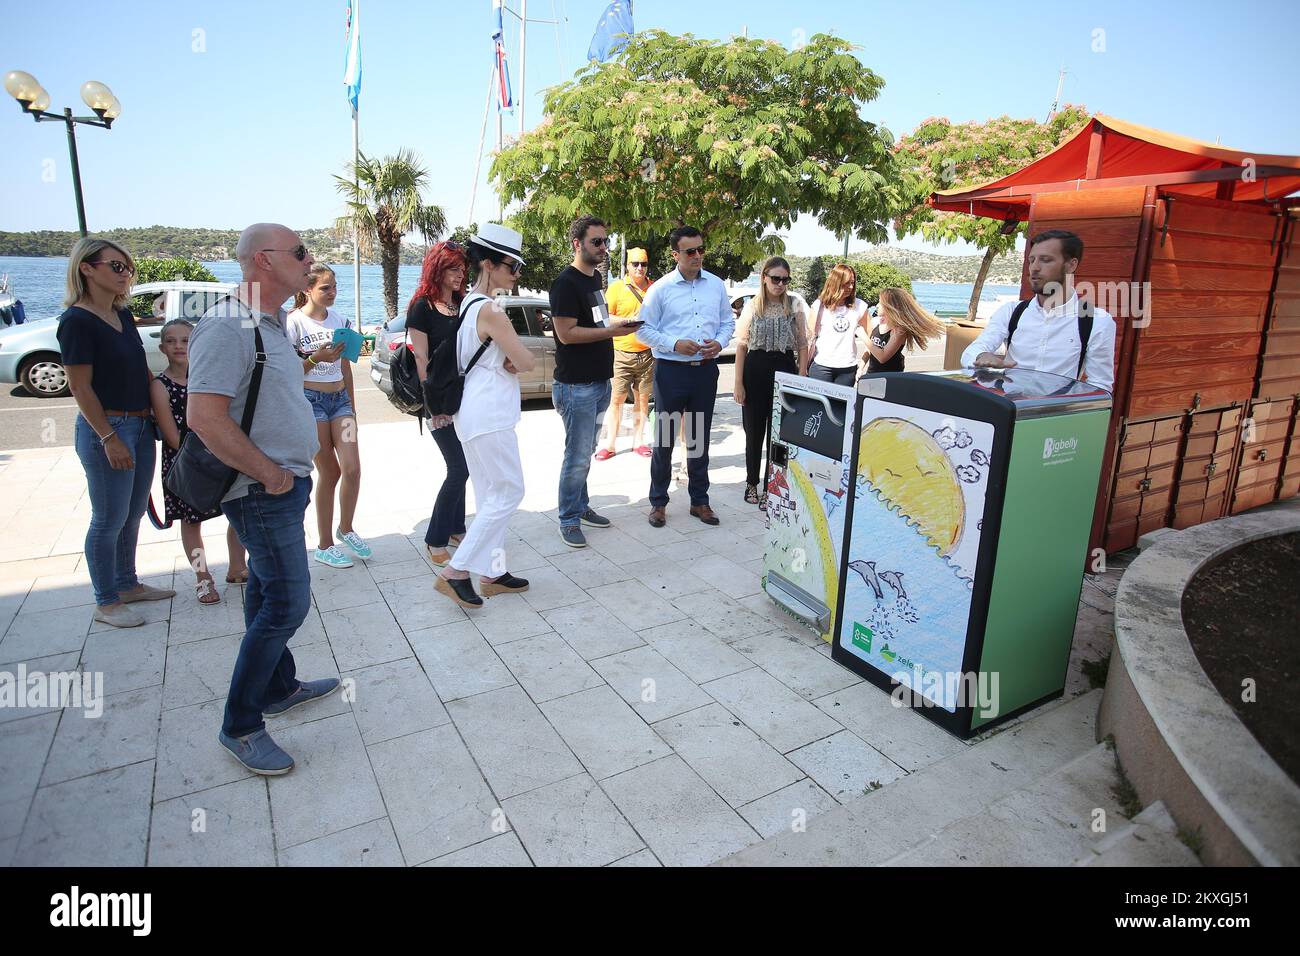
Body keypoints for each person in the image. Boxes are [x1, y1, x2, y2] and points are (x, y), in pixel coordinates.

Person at [188, 223, 340, 776]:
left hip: (282, 485)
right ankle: (241, 724)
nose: (310, 260)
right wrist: (270, 474)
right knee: (287, 603)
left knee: (267, 593)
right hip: (259, 490)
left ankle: (278, 686)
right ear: (262, 260)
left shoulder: (270, 321)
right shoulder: (228, 323)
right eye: (299, 252)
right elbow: (203, 417)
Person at [58, 238, 176, 628]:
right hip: (108, 428)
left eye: (128, 268)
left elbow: (141, 370)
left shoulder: (121, 316)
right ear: (87, 268)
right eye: (116, 266)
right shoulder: (76, 321)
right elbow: (80, 387)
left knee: (134, 512)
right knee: (108, 518)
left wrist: (158, 414)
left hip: (140, 423)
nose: (125, 274)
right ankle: (106, 602)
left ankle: (127, 584)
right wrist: (109, 437)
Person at [435, 224, 537, 608]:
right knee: (510, 491)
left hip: (472, 413)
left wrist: (509, 359)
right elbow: (526, 359)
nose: (516, 274)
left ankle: (492, 571)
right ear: (490, 265)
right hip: (489, 413)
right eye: (512, 267)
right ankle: (456, 571)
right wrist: (515, 359)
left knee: (490, 494)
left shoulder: (468, 303)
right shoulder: (491, 309)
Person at [548, 215, 640, 548]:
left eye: (606, 241)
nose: (604, 247)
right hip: (576, 387)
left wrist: (622, 323)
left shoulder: (593, 281)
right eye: (596, 242)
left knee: (585, 451)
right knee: (577, 455)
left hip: (600, 383)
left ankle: (581, 507)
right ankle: (568, 518)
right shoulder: (566, 283)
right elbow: (566, 334)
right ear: (578, 244)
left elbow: (600, 320)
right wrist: (610, 331)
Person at [636, 226, 734, 528]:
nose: (697, 256)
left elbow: (727, 323)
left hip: (704, 372)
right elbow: (642, 328)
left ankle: (699, 501)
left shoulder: (716, 285)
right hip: (671, 372)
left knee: (698, 440)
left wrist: (720, 342)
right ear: (675, 254)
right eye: (690, 251)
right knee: (664, 439)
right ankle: (658, 503)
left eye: (701, 249)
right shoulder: (661, 289)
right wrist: (674, 344)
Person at [149, 319, 248, 605]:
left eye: (185, 340)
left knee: (238, 511)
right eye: (172, 341)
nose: (179, 346)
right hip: (187, 463)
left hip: (222, 455)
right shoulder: (161, 386)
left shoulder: (208, 377)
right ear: (162, 347)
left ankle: (237, 565)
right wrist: (207, 453)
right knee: (191, 522)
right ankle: (202, 578)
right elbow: (171, 436)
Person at [286, 264, 371, 569]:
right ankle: (324, 544)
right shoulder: (293, 323)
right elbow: (287, 372)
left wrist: (352, 405)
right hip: (311, 402)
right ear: (307, 289)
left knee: (352, 468)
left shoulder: (340, 321)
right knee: (330, 472)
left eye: (334, 286)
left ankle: (346, 528)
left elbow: (346, 365)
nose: (332, 293)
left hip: (339, 401)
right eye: (325, 288)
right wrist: (314, 358)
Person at [961, 229, 1117, 391]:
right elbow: (971, 352)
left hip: (1056, 412)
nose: (1034, 268)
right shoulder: (1011, 312)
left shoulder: (1096, 320)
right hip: (1009, 408)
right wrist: (981, 356)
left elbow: (1100, 385)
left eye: (1046, 260)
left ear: (1071, 265)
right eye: (1031, 260)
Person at [406, 241, 470, 567]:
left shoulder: (460, 304)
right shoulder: (422, 307)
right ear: (437, 269)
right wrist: (434, 406)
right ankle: (435, 538)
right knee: (458, 468)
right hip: (437, 401)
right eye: (453, 268)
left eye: (462, 268)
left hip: (462, 397)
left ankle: (456, 527)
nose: (460, 274)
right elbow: (421, 359)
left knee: (465, 466)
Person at [734, 257, 810, 509]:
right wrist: (738, 384)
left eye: (784, 279)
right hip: (755, 370)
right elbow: (742, 345)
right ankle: (751, 483)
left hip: (785, 370)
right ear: (764, 277)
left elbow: (801, 343)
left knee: (778, 435)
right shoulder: (752, 306)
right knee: (754, 431)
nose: (779, 284)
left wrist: (801, 377)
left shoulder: (794, 304)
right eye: (775, 278)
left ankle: (772, 487)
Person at [596, 246, 655, 461]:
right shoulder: (616, 289)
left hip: (648, 354)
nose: (640, 268)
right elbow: (603, 317)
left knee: (642, 399)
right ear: (627, 266)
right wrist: (626, 322)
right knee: (616, 399)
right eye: (635, 264)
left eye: (644, 264)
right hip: (620, 352)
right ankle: (610, 444)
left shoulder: (654, 288)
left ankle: (638, 441)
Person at [806, 264, 870, 385]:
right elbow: (808, 338)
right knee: (819, 403)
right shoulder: (819, 306)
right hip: (821, 367)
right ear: (835, 282)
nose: (850, 287)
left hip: (848, 369)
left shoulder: (860, 306)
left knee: (840, 404)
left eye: (852, 283)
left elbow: (871, 339)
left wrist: (861, 366)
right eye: (846, 283)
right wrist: (802, 367)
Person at [862, 287, 944, 376]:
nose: (877, 305)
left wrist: (863, 335)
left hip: (891, 377)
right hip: (871, 374)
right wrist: (861, 367)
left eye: (880, 303)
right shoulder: (875, 322)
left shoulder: (899, 330)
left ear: (890, 307)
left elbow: (882, 357)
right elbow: (870, 348)